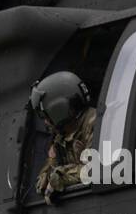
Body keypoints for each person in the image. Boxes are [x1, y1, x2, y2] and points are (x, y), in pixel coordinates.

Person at [30, 70, 97, 203]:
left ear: (59, 108)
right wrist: (46, 177)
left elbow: (98, 170)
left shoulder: (93, 123)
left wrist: (62, 176)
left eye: (46, 116)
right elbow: (48, 170)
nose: (45, 122)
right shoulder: (61, 137)